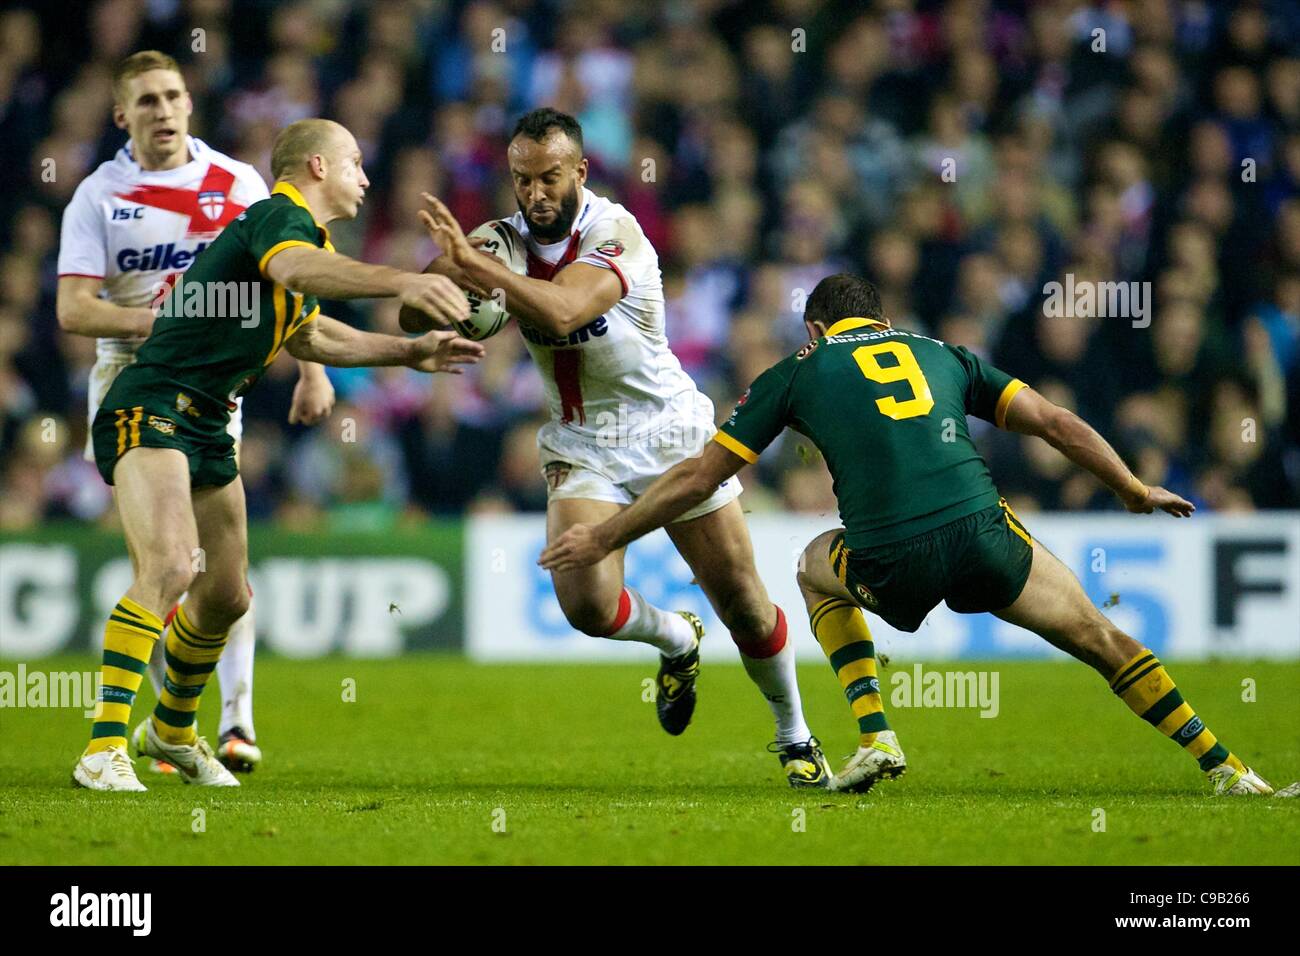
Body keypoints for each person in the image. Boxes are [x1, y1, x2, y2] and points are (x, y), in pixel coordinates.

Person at [540, 273, 1278, 797]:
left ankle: (875, 735)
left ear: (816, 328)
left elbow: (699, 479)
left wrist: (605, 539)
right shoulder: (945, 353)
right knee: (1100, 637)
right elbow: (1055, 422)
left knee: (807, 564)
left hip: (892, 561)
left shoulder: (796, 369)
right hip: (985, 534)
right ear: (882, 320)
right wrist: (1130, 487)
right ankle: (1227, 768)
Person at [410, 108, 832, 788]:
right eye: (522, 180)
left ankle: (795, 735)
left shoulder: (618, 233)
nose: (535, 194)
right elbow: (414, 304)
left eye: (550, 178)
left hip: (668, 433)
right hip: (582, 441)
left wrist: (481, 273)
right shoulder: (500, 242)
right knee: (585, 605)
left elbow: (562, 312)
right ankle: (676, 639)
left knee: (746, 603)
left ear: (579, 170)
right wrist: (441, 287)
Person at [72, 117, 481, 792]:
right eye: (355, 163)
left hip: (205, 421)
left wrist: (408, 352)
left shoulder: (306, 244)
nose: (366, 177)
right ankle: (102, 747)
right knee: (173, 564)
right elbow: (293, 269)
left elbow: (312, 337)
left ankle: (171, 732)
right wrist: (399, 282)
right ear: (317, 167)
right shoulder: (275, 218)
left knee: (228, 596)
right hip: (152, 402)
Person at [56, 50, 335, 774]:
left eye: (173, 95)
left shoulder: (236, 183)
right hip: (137, 380)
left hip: (218, 386)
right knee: (167, 563)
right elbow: (72, 307)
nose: (164, 110)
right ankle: (117, 742)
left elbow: (289, 275)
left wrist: (312, 367)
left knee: (223, 584)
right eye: (146, 100)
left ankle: (194, 726)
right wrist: (157, 322)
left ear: (190, 103)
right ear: (122, 115)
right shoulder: (97, 195)